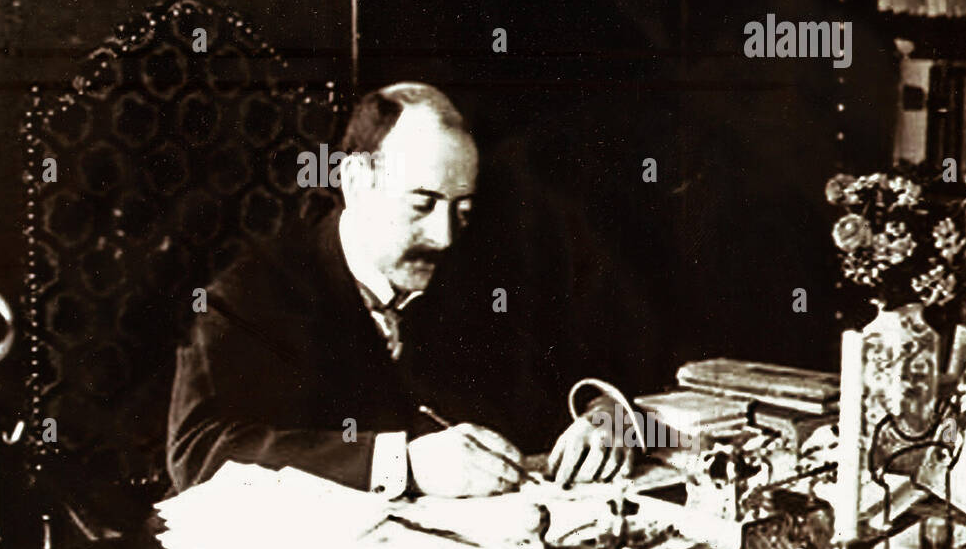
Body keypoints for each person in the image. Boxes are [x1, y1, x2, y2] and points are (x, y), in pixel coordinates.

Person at [167, 82, 628, 496]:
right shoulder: (251, 293)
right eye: (421, 204)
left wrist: (605, 415)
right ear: (354, 181)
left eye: (462, 210)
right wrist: (402, 465)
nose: (444, 235)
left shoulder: (477, 276)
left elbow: (577, 368)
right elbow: (200, 453)